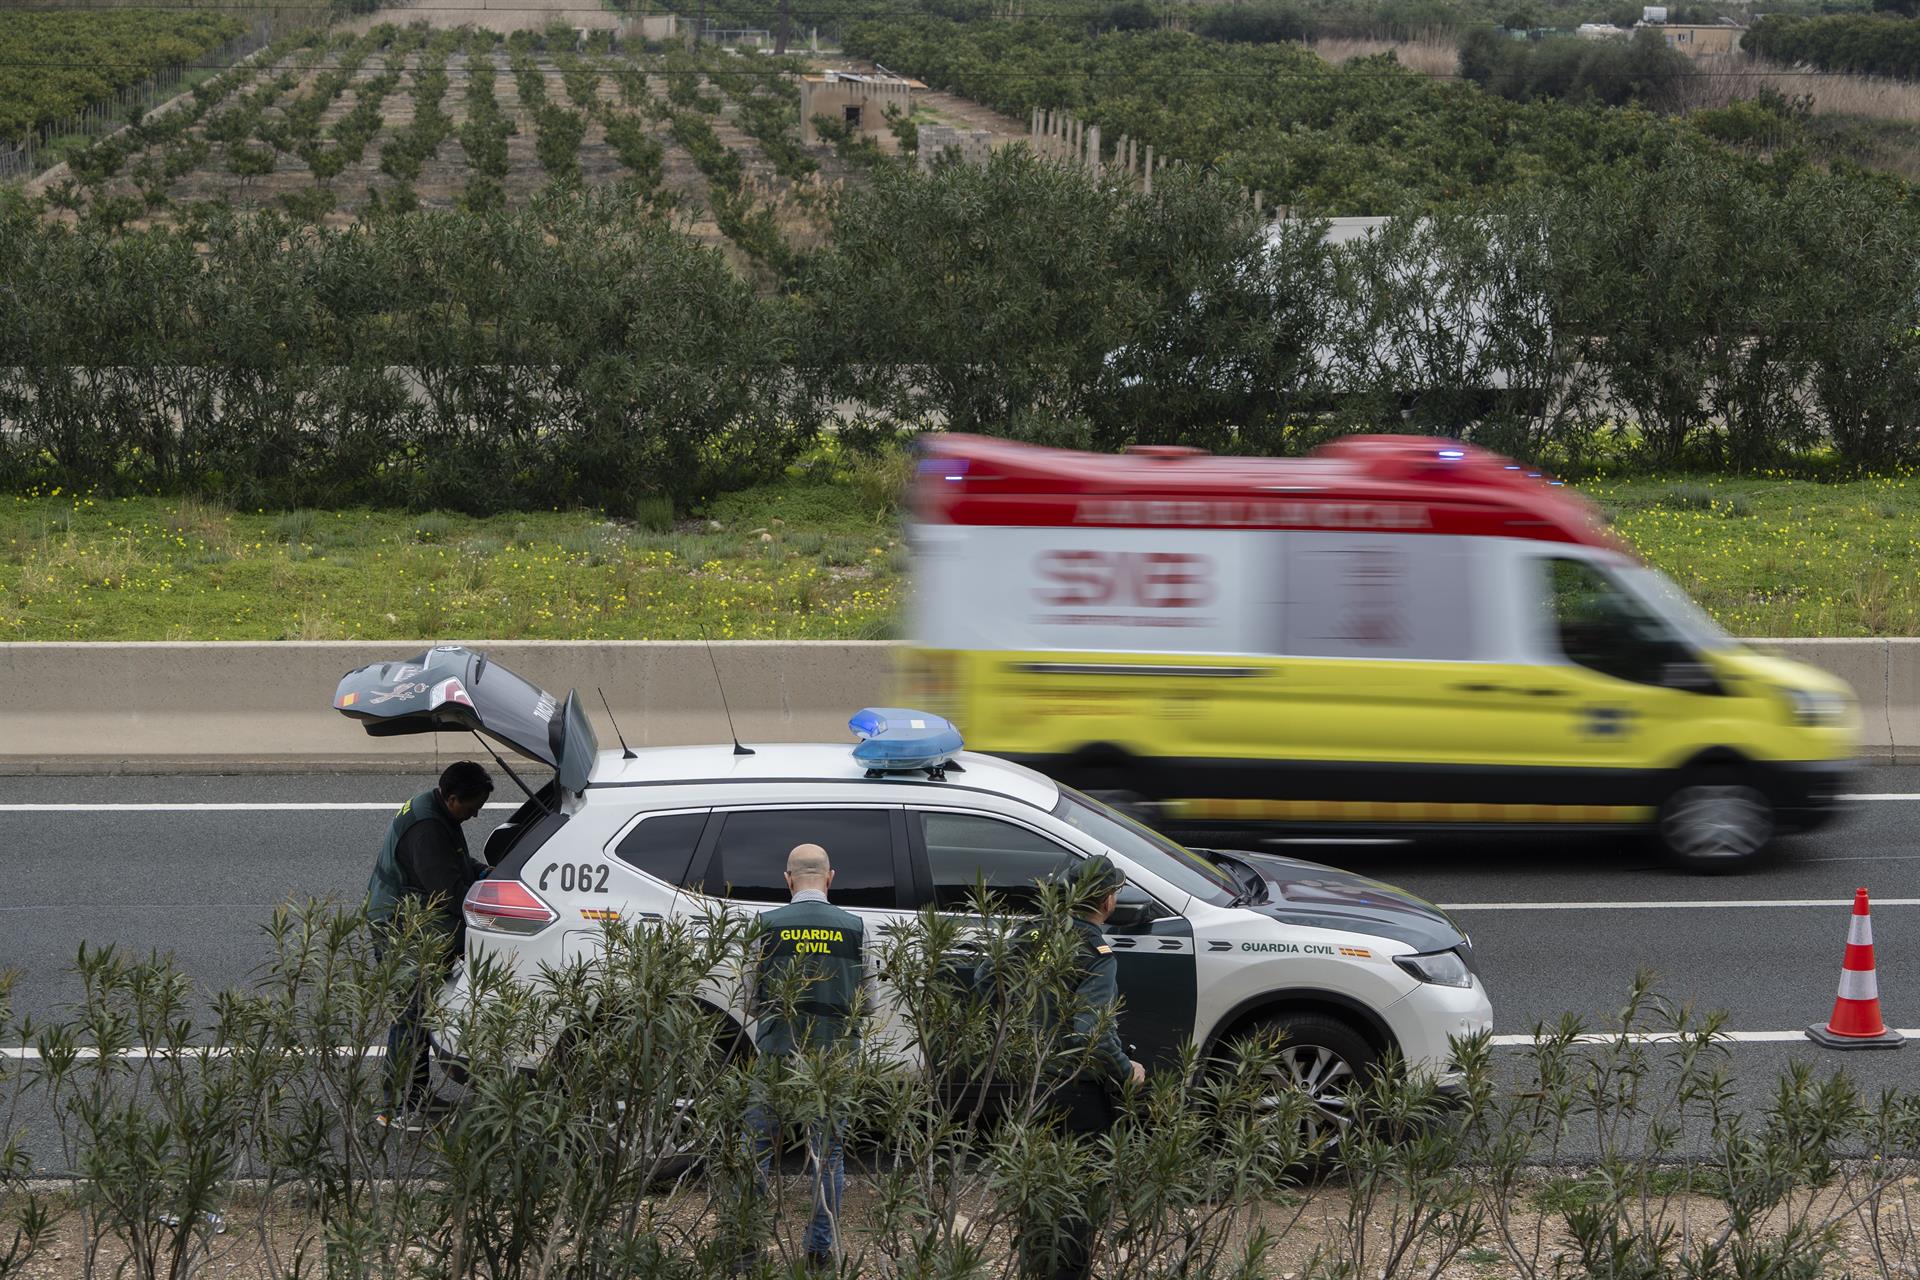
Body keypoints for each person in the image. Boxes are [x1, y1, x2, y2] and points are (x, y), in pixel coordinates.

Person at [977, 855, 1144, 1280]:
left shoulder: (1029, 934)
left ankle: (1036, 1269)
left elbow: (984, 981)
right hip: (1077, 1093)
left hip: (1026, 1082)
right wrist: (1127, 1072)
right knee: (1076, 1200)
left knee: (1036, 1189)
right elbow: (1093, 1033)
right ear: (1107, 901)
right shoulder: (1096, 951)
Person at [744, 843, 867, 1272]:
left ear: (788, 879)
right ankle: (819, 1249)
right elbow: (866, 1004)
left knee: (757, 1147)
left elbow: (749, 1001)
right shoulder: (855, 928)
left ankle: (747, 1244)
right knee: (828, 1155)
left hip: (778, 1052)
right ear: (830, 878)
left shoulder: (766, 926)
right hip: (834, 1061)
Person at [364, 760, 493, 1129]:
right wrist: (494, 911)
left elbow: (455, 862)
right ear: (452, 798)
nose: (476, 814)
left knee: (421, 1012)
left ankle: (416, 1095)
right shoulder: (427, 829)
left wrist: (484, 872)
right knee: (411, 1013)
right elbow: (451, 894)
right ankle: (398, 1106)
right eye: (473, 807)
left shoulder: (437, 811)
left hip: (411, 913)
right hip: (398, 926)